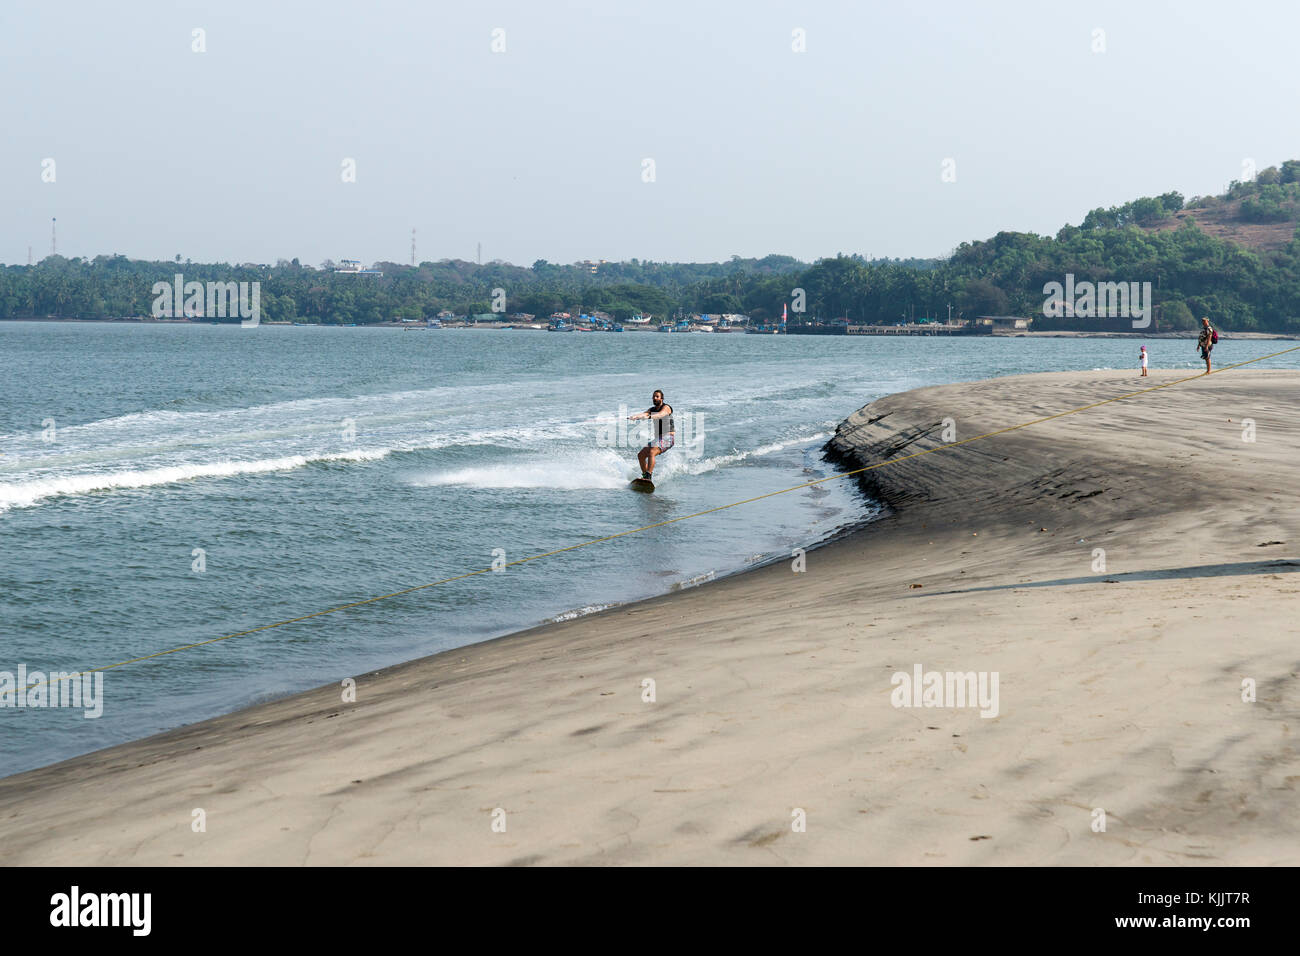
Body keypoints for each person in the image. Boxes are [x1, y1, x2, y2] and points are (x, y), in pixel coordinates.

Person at [628, 390, 674, 480]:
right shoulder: (652, 409)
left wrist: (649, 417)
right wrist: (634, 417)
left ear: (662, 398)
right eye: (653, 397)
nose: (655, 398)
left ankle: (649, 476)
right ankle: (645, 475)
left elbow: (661, 414)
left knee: (652, 452)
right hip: (658, 439)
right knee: (641, 455)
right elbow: (644, 414)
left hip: (668, 438)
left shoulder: (666, 407)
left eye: (657, 396)